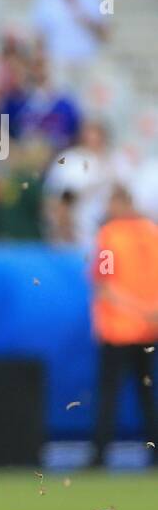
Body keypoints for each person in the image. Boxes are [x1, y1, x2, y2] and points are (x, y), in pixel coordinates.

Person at [89, 186, 158, 467]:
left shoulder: (110, 235)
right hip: (149, 328)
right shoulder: (151, 232)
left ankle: (100, 456)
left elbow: (104, 287)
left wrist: (135, 310)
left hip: (117, 329)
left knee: (109, 394)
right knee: (146, 393)